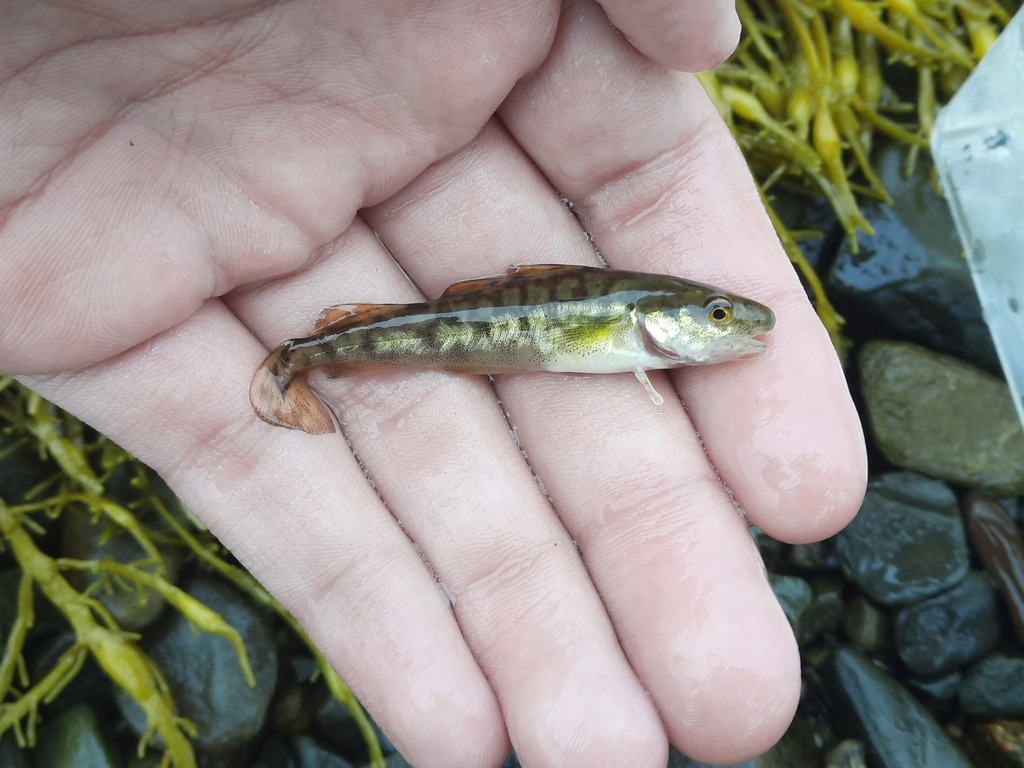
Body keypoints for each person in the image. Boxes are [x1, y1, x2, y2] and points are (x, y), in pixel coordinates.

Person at [0, 1, 867, 765]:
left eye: (722, 316)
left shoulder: (638, 321)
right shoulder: (629, 316)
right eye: (717, 315)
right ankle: (296, 362)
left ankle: (305, 358)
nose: (733, 327)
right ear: (665, 317)